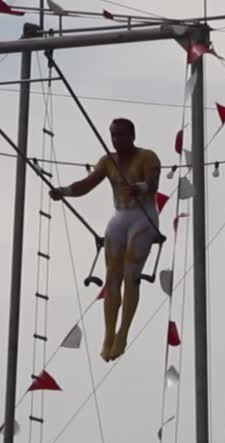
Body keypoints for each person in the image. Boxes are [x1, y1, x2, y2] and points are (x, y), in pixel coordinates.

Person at [50, 118, 162, 362]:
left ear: (132, 135)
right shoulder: (107, 161)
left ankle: (123, 333)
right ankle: (109, 334)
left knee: (131, 272)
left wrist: (141, 188)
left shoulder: (148, 157)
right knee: (112, 275)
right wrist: (64, 191)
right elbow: (86, 184)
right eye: (113, 135)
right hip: (121, 216)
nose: (116, 140)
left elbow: (153, 184)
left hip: (143, 217)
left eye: (120, 135)